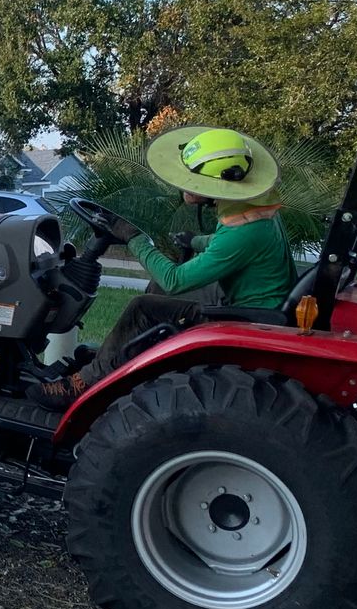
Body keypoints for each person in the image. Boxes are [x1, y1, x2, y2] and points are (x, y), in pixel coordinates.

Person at [29, 127, 295, 409]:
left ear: (222, 180)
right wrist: (196, 240)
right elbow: (223, 241)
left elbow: (175, 281)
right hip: (258, 304)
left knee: (143, 306)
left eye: (193, 177)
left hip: (247, 318)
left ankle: (83, 385)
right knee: (156, 292)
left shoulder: (246, 230)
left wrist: (135, 239)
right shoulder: (251, 209)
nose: (184, 183)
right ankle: (118, 357)